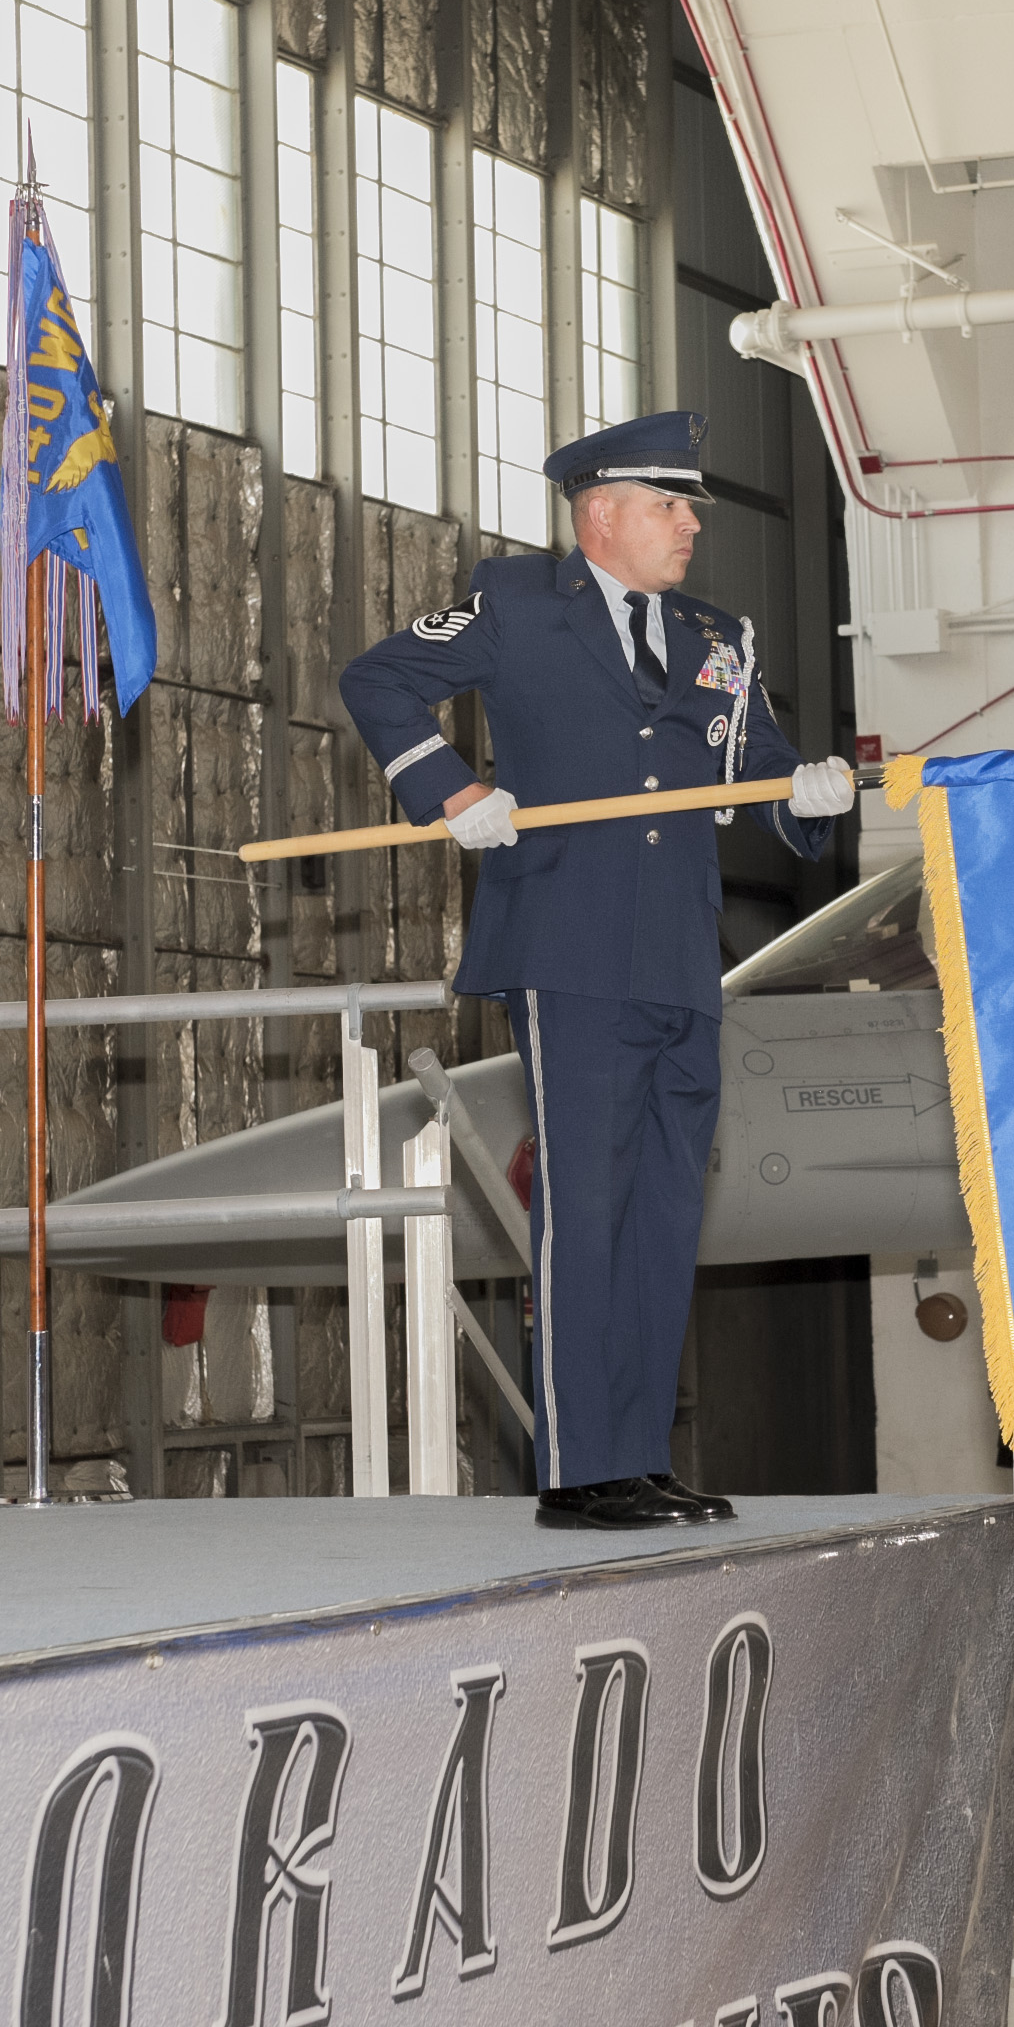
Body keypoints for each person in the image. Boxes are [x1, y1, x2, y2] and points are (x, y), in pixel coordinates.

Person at [339, 411, 859, 1529]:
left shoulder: (721, 634)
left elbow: (756, 762)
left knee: (665, 1208)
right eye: (669, 506)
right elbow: (377, 679)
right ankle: (580, 1467)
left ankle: (637, 1453)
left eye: (689, 509)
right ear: (599, 514)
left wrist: (803, 791)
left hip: (679, 955)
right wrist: (451, 790)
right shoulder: (518, 602)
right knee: (584, 1203)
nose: (688, 525)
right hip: (565, 948)